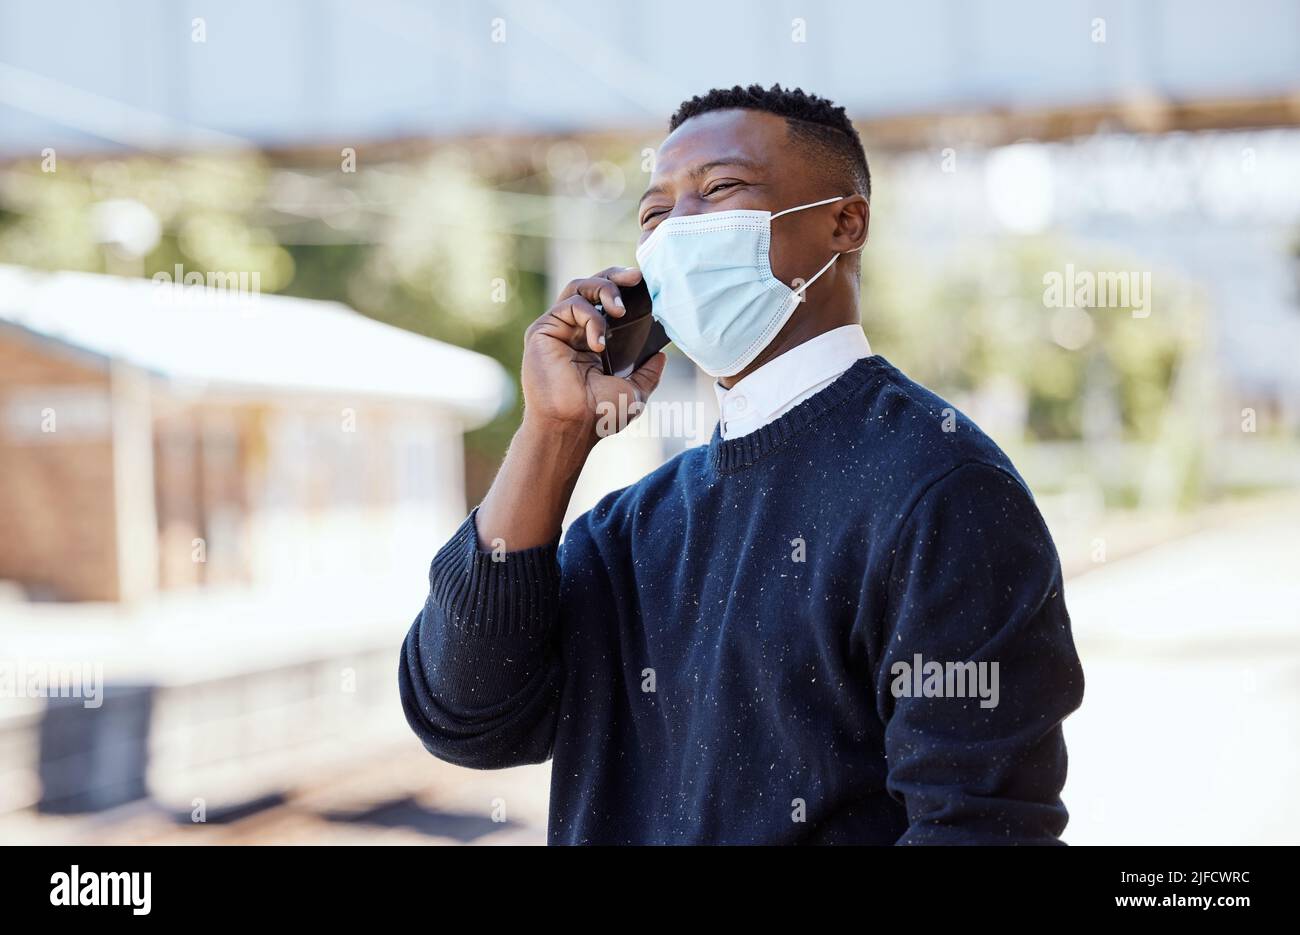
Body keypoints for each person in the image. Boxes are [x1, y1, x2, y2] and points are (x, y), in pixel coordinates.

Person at [399, 84, 1085, 845]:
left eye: (719, 189)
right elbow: (464, 714)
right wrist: (552, 434)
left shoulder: (943, 490)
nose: (678, 232)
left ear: (844, 222)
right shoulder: (631, 529)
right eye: (655, 214)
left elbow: (981, 827)